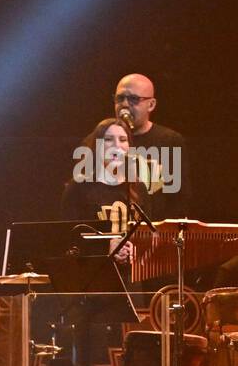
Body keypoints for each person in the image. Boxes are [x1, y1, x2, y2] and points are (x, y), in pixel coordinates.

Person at [61, 117, 152, 264]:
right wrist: (106, 246)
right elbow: (68, 238)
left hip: (131, 279)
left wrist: (137, 249)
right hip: (95, 276)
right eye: (109, 140)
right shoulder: (79, 187)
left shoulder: (138, 188)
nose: (117, 145)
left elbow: (149, 235)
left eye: (123, 139)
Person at [111, 73, 188, 220]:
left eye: (133, 99)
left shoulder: (169, 141)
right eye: (120, 98)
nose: (125, 104)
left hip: (155, 232)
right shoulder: (102, 140)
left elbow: (179, 198)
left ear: (151, 104)